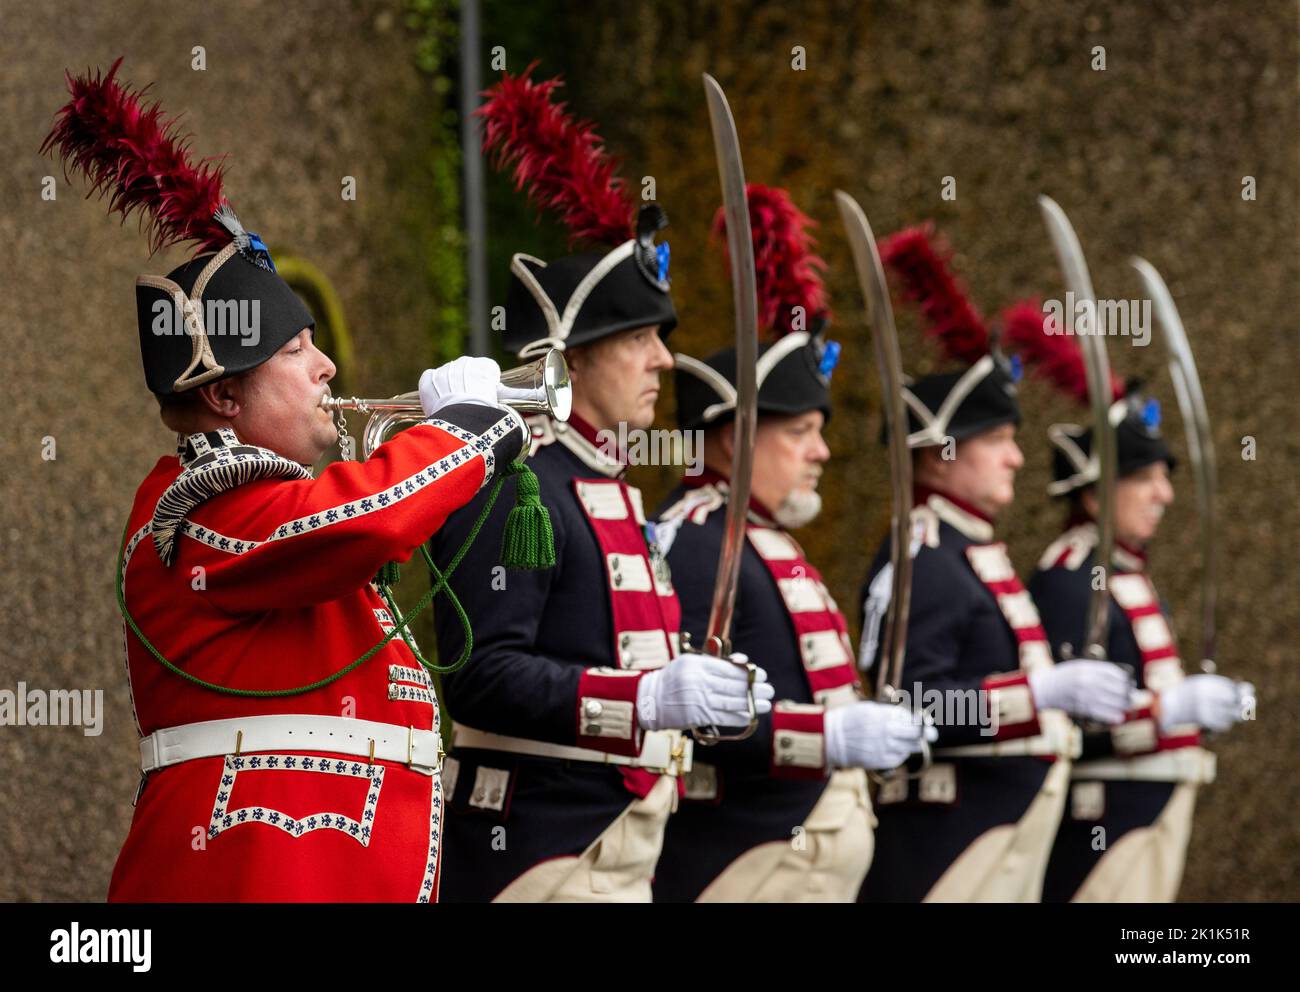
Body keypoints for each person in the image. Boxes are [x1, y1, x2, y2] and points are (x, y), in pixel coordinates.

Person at [44, 60, 527, 901]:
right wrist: (464, 433)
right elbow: (367, 520)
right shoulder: (195, 508)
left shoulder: (280, 512)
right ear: (225, 394)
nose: (329, 366)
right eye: (297, 352)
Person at [429, 67, 771, 902]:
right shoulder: (515, 478)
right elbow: (482, 674)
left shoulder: (608, 481)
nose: (663, 359)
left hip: (620, 847)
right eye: (640, 339)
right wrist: (649, 694)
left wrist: (699, 686)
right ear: (569, 358)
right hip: (539, 853)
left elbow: (605, 653)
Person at [652, 186, 925, 902]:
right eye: (800, 432)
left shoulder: (764, 539)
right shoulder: (691, 542)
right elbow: (690, 723)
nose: (822, 452)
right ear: (732, 436)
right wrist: (829, 738)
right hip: (742, 863)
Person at [857, 226, 1131, 902]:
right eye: (999, 440)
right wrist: (1034, 697)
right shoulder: (924, 557)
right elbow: (908, 703)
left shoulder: (971, 553)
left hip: (1002, 841)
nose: (1016, 457)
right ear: (942, 451)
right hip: (946, 851)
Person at [1023, 373, 1252, 900]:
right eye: (1144, 477)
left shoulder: (1122, 572)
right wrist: (1165, 711)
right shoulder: (1069, 577)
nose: (1164, 494)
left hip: (1148, 809)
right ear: (1099, 493)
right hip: (1100, 822)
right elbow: (1068, 725)